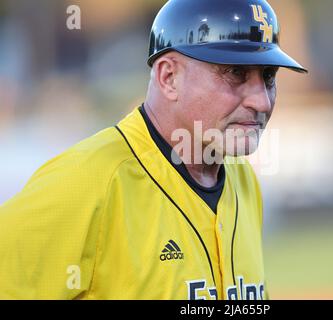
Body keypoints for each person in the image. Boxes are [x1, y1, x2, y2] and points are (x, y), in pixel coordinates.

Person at [0, 0, 307, 299]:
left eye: (267, 77)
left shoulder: (244, 181)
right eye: (235, 73)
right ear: (168, 77)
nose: (262, 101)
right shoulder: (87, 182)